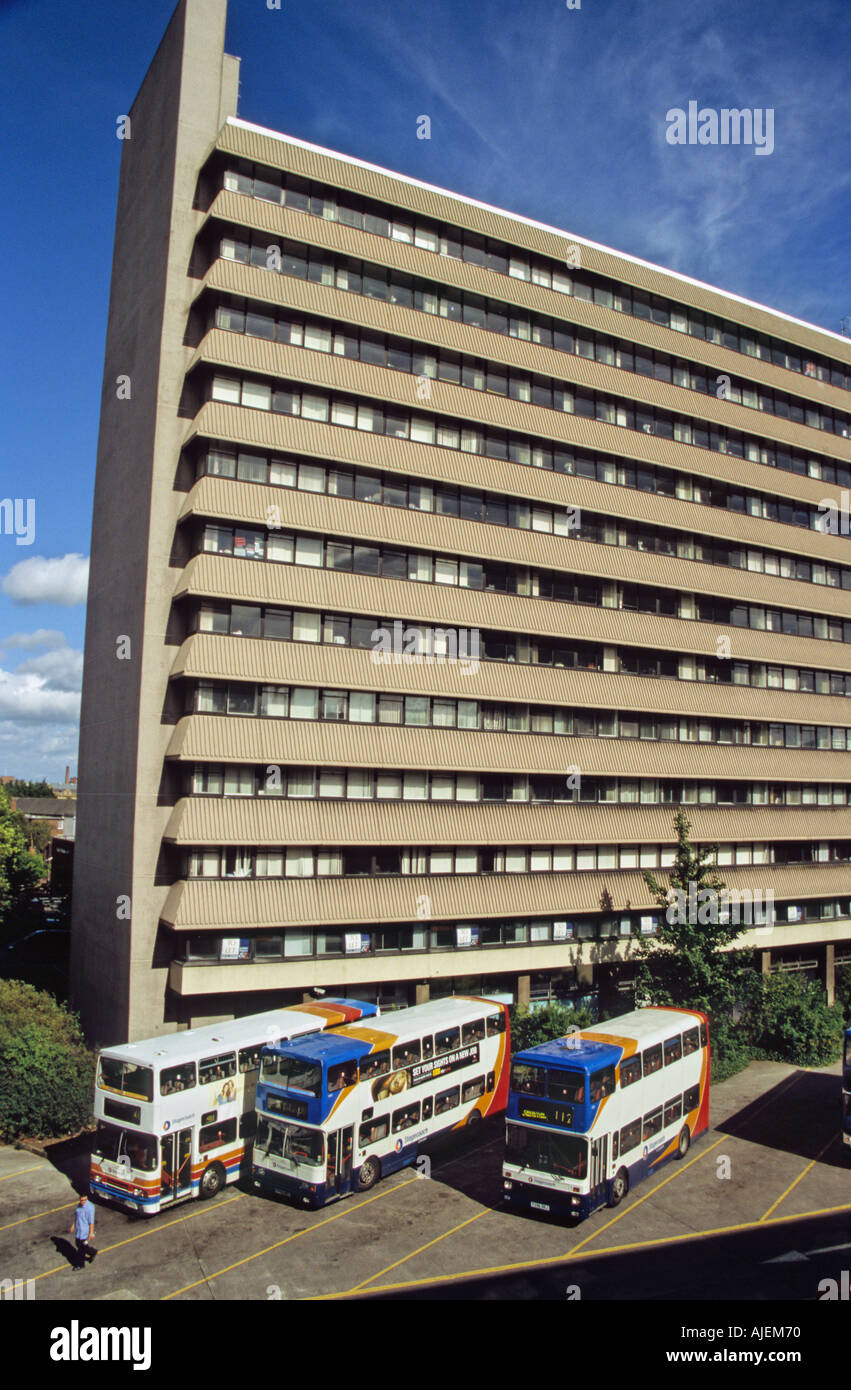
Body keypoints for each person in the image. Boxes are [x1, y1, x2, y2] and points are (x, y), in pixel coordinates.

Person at [70, 1193, 97, 1270]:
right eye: (81, 1200)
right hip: (79, 1230)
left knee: (81, 1250)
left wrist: (91, 1233)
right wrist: (73, 1226)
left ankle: (80, 1265)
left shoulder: (90, 1208)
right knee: (79, 1244)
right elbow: (77, 1216)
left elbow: (91, 1222)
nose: (83, 1202)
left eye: (85, 1200)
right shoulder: (79, 1206)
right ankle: (93, 1252)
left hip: (85, 1232)